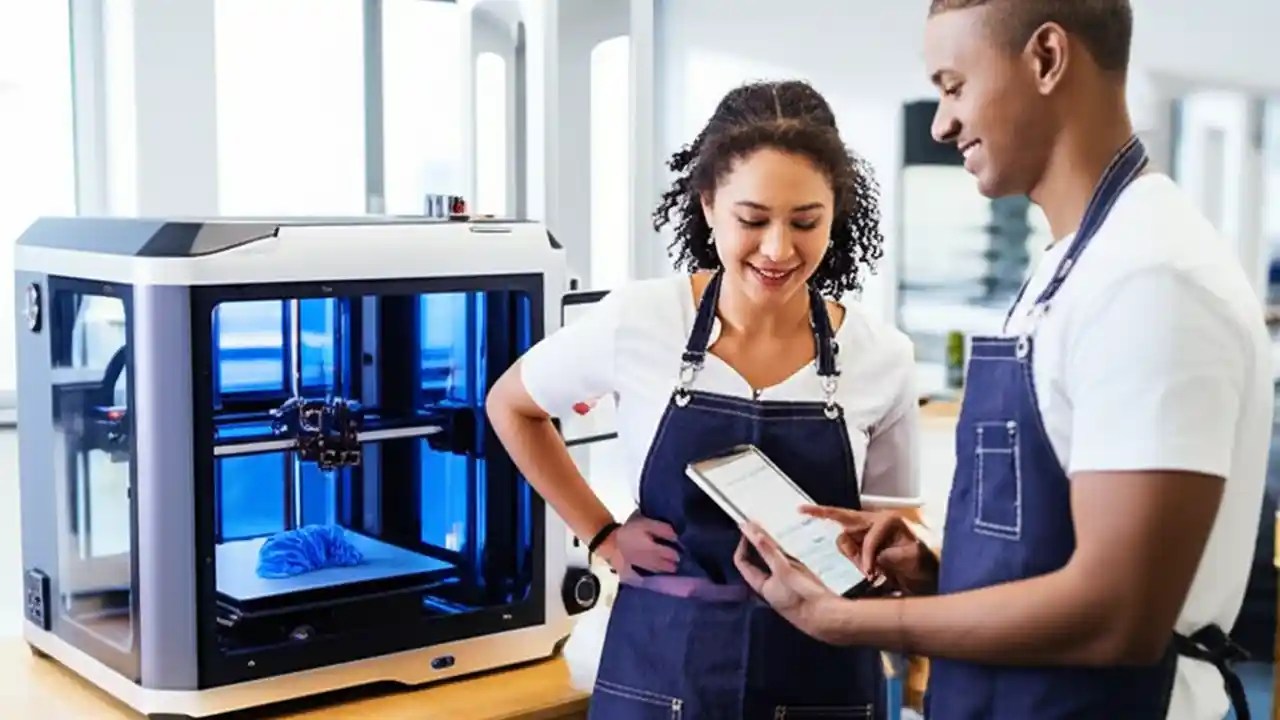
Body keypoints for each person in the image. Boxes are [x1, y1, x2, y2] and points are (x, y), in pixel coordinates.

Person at [735, 2, 1273, 719]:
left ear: (1047, 58)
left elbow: (1118, 615)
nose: (941, 124)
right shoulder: (1074, 265)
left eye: (953, 86)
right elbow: (1057, 552)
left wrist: (851, 621)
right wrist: (941, 572)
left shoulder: (1151, 277)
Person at [485, 79, 922, 719]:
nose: (778, 249)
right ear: (709, 204)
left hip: (823, 681)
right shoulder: (639, 319)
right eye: (753, 219)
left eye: (806, 222)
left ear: (836, 213)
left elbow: (894, 530)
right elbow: (511, 405)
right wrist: (602, 534)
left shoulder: (883, 355)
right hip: (660, 672)